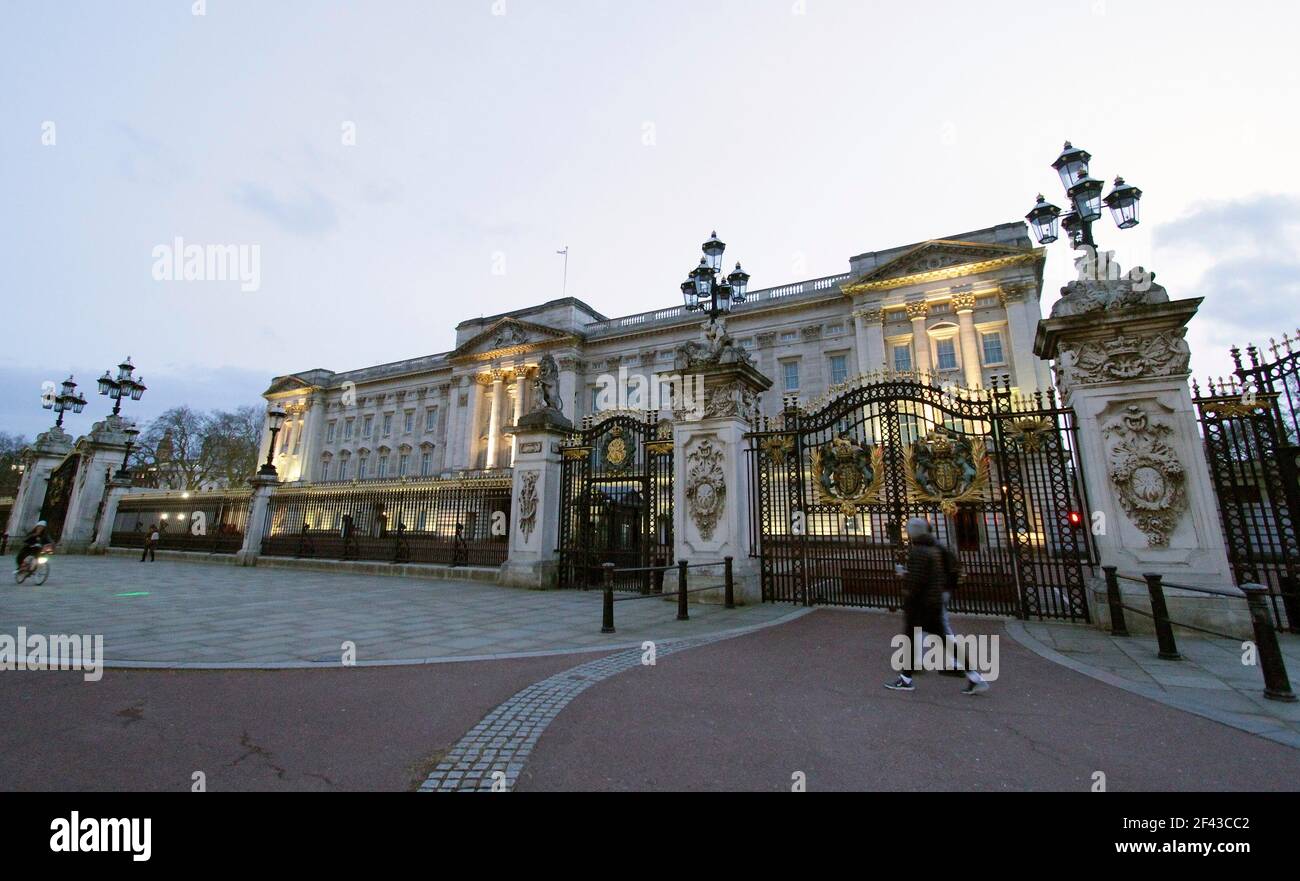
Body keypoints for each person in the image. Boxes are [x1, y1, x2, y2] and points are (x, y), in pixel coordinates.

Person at [885, 517, 988, 695]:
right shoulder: (933, 548)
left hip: (922, 605)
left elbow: (917, 581)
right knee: (938, 639)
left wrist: (905, 581)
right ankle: (974, 676)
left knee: (917, 639)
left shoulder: (919, 552)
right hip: (933, 601)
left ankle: (907, 678)